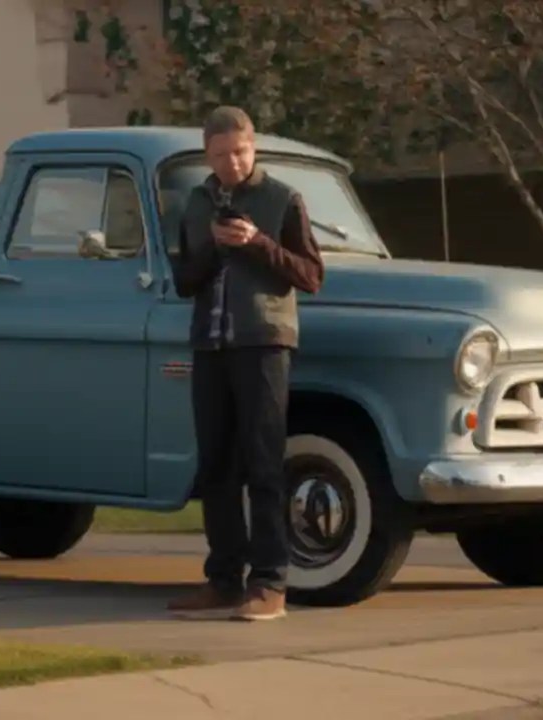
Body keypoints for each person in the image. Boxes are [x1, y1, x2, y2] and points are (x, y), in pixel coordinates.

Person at [166, 106, 325, 622]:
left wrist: (256, 243)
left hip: (263, 343)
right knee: (215, 466)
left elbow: (311, 275)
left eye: (239, 152)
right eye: (220, 155)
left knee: (263, 464)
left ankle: (270, 583)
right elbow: (184, 282)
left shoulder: (282, 199)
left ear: (253, 147)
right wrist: (215, 248)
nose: (232, 163)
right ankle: (222, 581)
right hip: (209, 345)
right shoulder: (196, 204)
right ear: (207, 155)